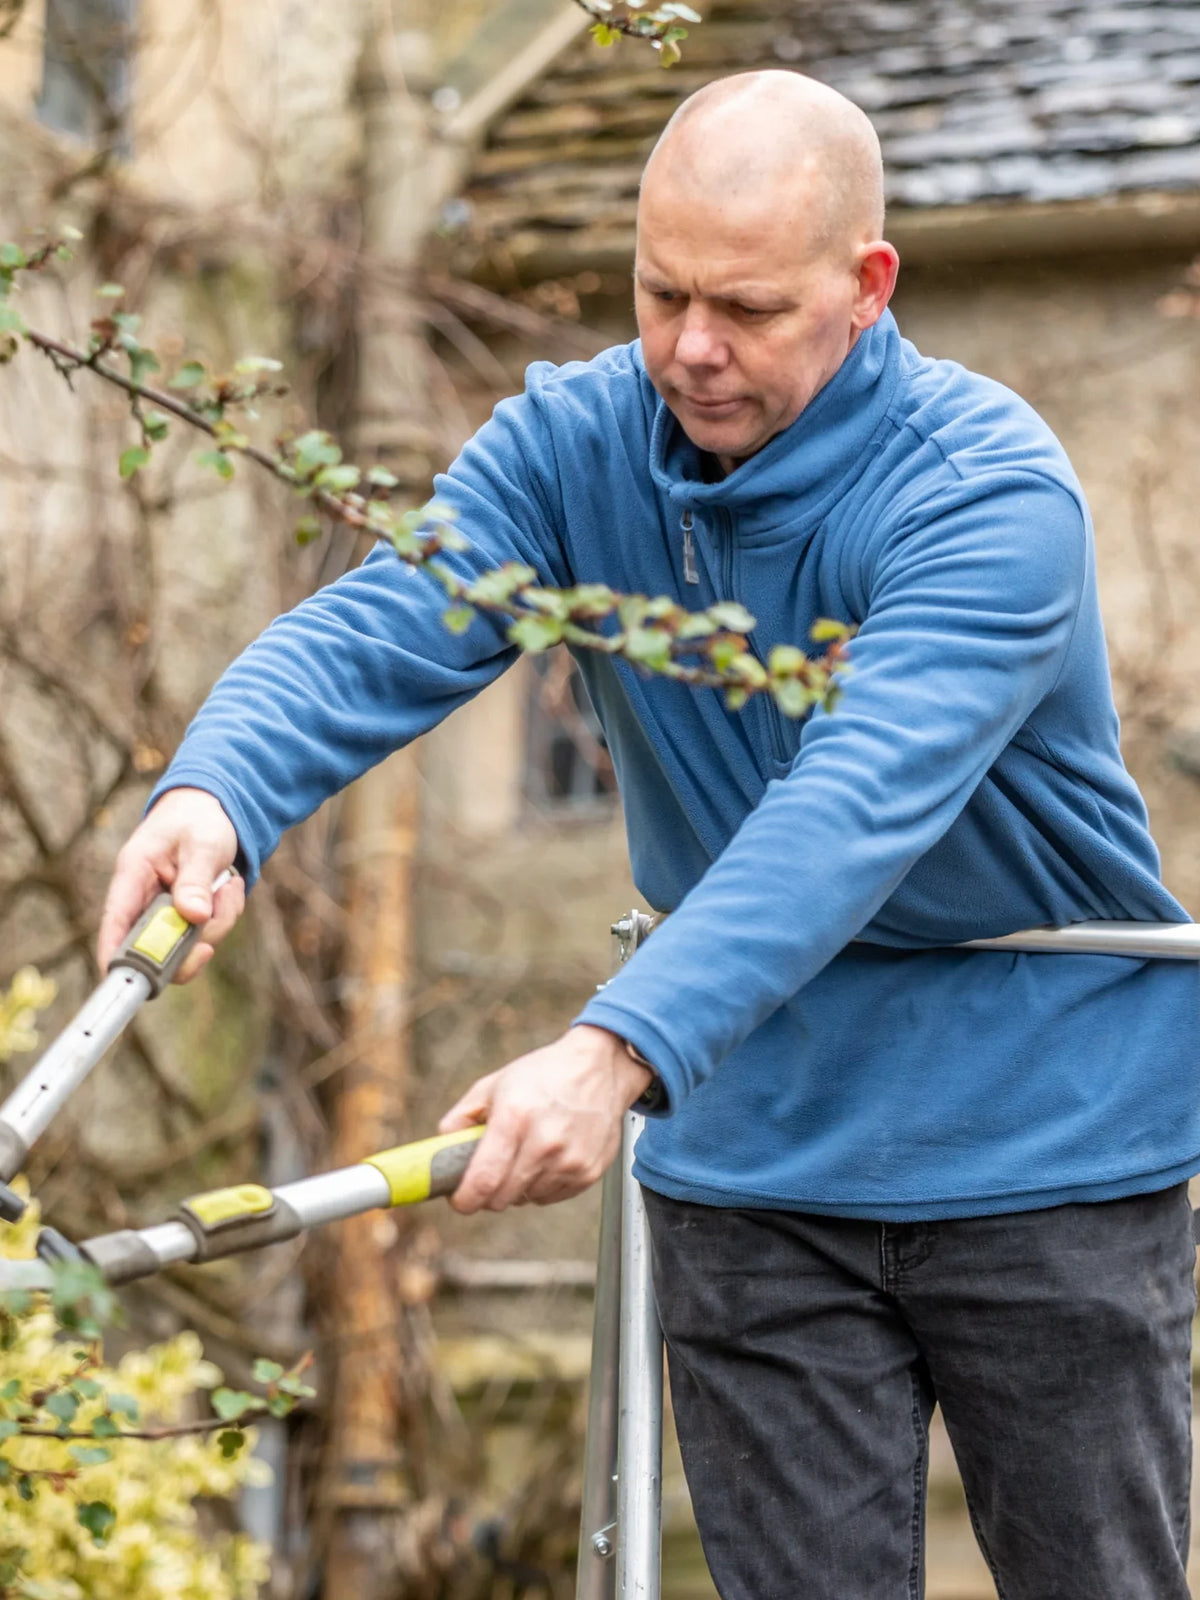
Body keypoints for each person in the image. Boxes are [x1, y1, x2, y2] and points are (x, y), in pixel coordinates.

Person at [100, 71, 1199, 1600]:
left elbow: (854, 803)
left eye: (745, 307)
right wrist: (213, 787)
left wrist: (613, 1053)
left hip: (1050, 1142)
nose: (690, 347)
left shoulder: (984, 494)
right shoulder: (575, 449)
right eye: (660, 289)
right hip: (758, 1154)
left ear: (867, 286)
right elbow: (380, 624)